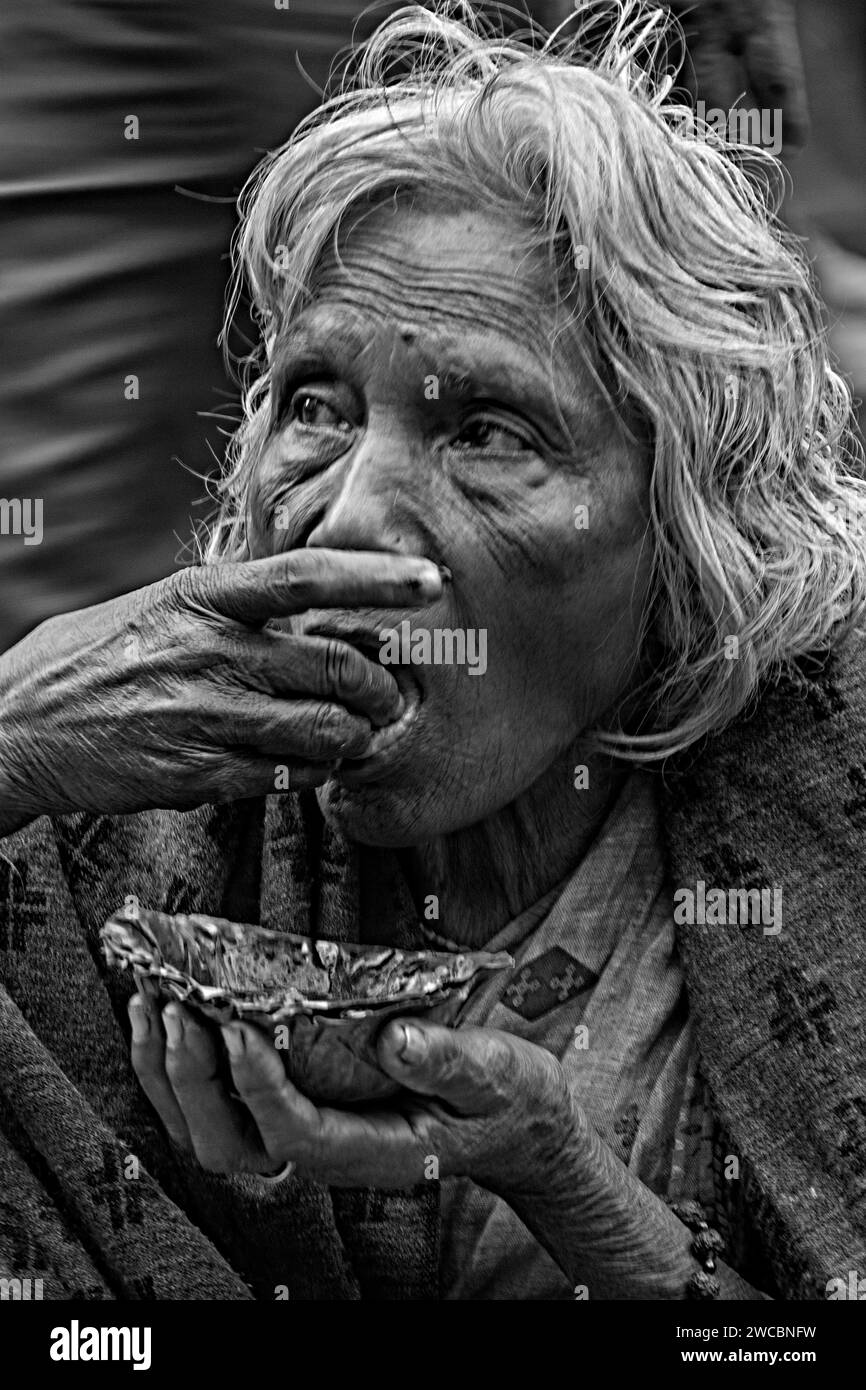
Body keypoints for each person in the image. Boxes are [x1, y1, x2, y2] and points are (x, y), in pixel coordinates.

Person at [0, 0, 864, 1301]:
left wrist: (561, 1177)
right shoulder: (104, 828)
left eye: (487, 430)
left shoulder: (832, 830)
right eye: (313, 405)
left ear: (687, 541)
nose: (344, 511)